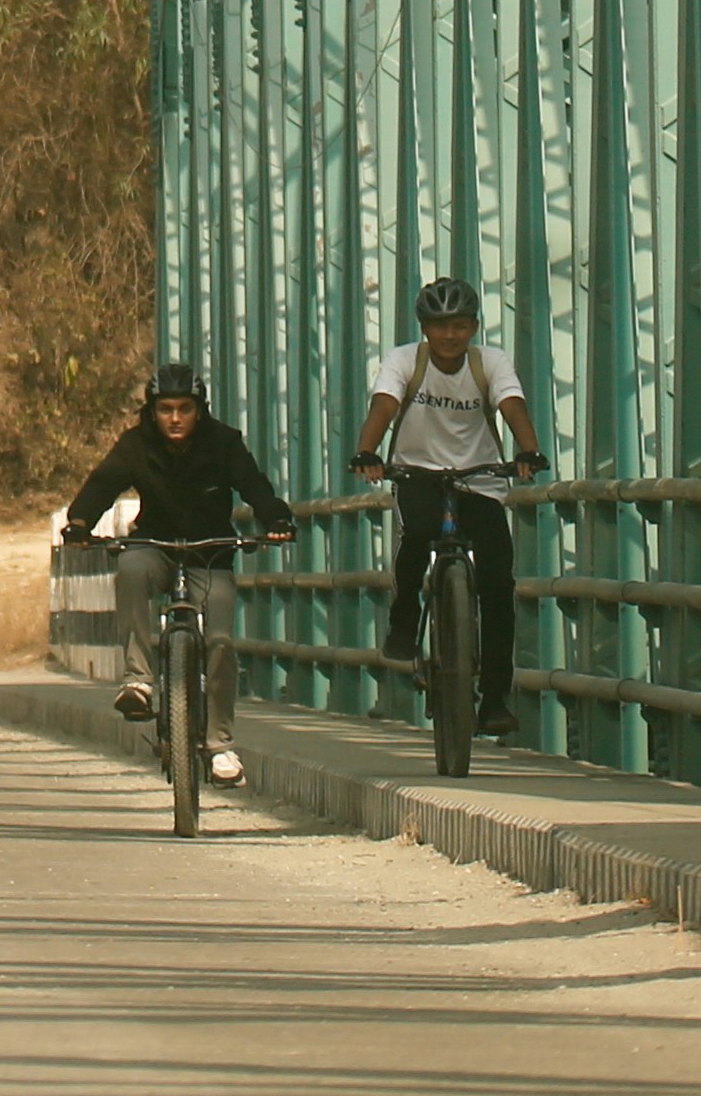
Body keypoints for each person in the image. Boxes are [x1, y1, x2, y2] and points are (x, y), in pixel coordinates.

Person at [64, 356, 301, 785]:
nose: (175, 418)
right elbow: (103, 483)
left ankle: (221, 746)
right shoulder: (137, 444)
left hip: (210, 552)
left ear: (200, 408)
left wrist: (276, 520)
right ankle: (139, 680)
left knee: (222, 642)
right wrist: (79, 522)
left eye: (184, 409)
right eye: (165, 409)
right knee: (131, 570)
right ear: (151, 411)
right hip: (155, 544)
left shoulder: (224, 443)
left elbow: (254, 484)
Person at [356, 277, 543, 738]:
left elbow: (511, 404)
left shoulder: (490, 363)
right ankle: (403, 622)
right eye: (439, 326)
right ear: (424, 328)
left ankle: (495, 698)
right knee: (416, 536)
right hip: (417, 473)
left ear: (474, 327)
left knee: (498, 581)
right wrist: (367, 452)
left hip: (478, 477)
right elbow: (384, 404)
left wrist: (528, 450)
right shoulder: (404, 361)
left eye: (460, 326)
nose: (449, 336)